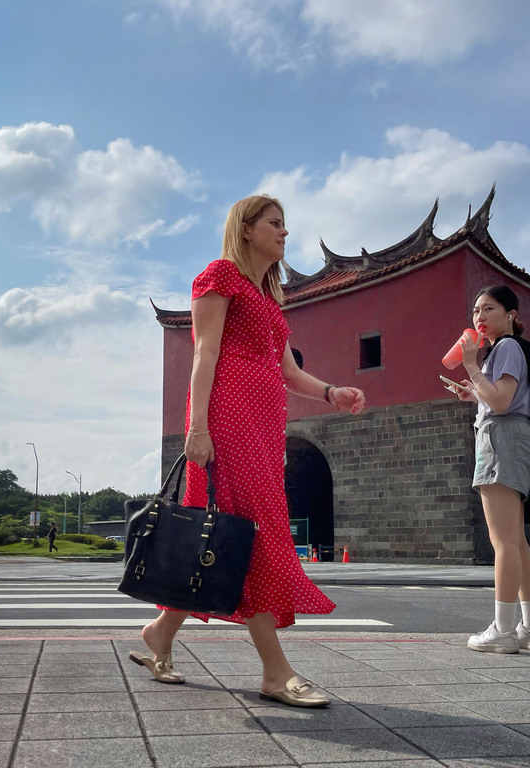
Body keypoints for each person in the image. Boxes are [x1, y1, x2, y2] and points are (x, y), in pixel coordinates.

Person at [129, 194, 366, 706]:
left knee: (223, 540)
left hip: (261, 430)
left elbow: (288, 374)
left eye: (285, 224)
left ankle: (160, 635)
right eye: (275, 224)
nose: (285, 232)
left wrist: (331, 392)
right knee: (251, 537)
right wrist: (197, 428)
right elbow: (205, 352)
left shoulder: (267, 298)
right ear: (247, 228)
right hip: (226, 426)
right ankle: (275, 673)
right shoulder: (219, 276)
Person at [450, 285, 530, 654]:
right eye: (476, 310)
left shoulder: (505, 347)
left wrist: (473, 367)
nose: (479, 317)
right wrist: (474, 392)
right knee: (517, 541)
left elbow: (502, 402)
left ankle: (503, 630)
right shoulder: (510, 350)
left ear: (511, 315)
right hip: (514, 438)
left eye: (488, 309)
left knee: (503, 542)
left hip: (502, 439)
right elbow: (497, 397)